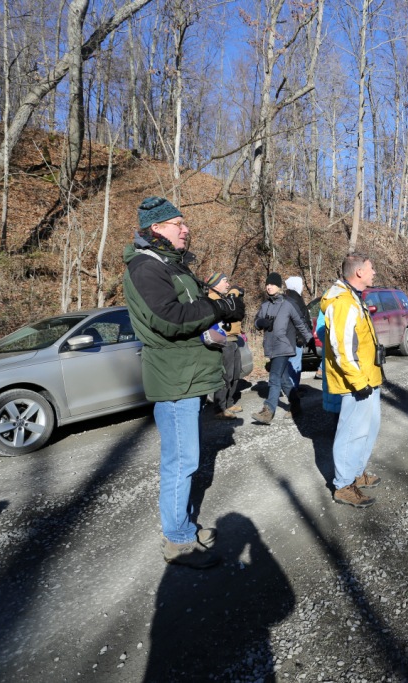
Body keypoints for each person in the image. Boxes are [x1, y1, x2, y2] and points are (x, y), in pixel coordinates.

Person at [123, 196, 244, 569]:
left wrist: (214, 315)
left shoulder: (168, 265)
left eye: (184, 223)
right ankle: (177, 541)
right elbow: (171, 319)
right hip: (174, 380)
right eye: (178, 223)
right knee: (181, 462)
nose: (186, 228)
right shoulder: (146, 266)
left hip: (187, 376)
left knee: (187, 460)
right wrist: (218, 307)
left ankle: (185, 527)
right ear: (156, 228)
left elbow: (188, 316)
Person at [322, 253, 383, 508]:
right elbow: (342, 347)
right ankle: (343, 485)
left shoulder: (355, 298)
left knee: (368, 429)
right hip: (356, 381)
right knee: (351, 433)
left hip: (369, 377)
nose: (374, 272)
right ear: (358, 272)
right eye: (371, 268)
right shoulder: (343, 302)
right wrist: (358, 381)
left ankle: (357, 473)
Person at [252, 272, 313, 425]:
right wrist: (260, 323)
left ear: (279, 287)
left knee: (274, 377)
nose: (268, 287)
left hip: (285, 345)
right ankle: (296, 405)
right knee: (284, 379)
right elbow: (255, 321)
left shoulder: (288, 304)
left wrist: (310, 339)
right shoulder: (265, 306)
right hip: (271, 346)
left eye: (272, 284)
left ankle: (268, 410)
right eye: (267, 284)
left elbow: (300, 323)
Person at [206, 274, 246, 417]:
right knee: (225, 376)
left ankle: (229, 403)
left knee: (235, 374)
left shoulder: (223, 299)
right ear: (215, 284)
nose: (228, 284)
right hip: (223, 341)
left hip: (233, 340)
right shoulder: (212, 300)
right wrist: (233, 296)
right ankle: (219, 408)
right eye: (225, 281)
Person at [283, 275, 309, 392]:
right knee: (294, 365)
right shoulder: (295, 300)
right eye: (301, 284)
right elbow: (298, 320)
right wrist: (301, 336)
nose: (303, 287)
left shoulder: (287, 298)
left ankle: (292, 388)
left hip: (289, 337)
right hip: (295, 338)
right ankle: (292, 390)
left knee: (290, 364)